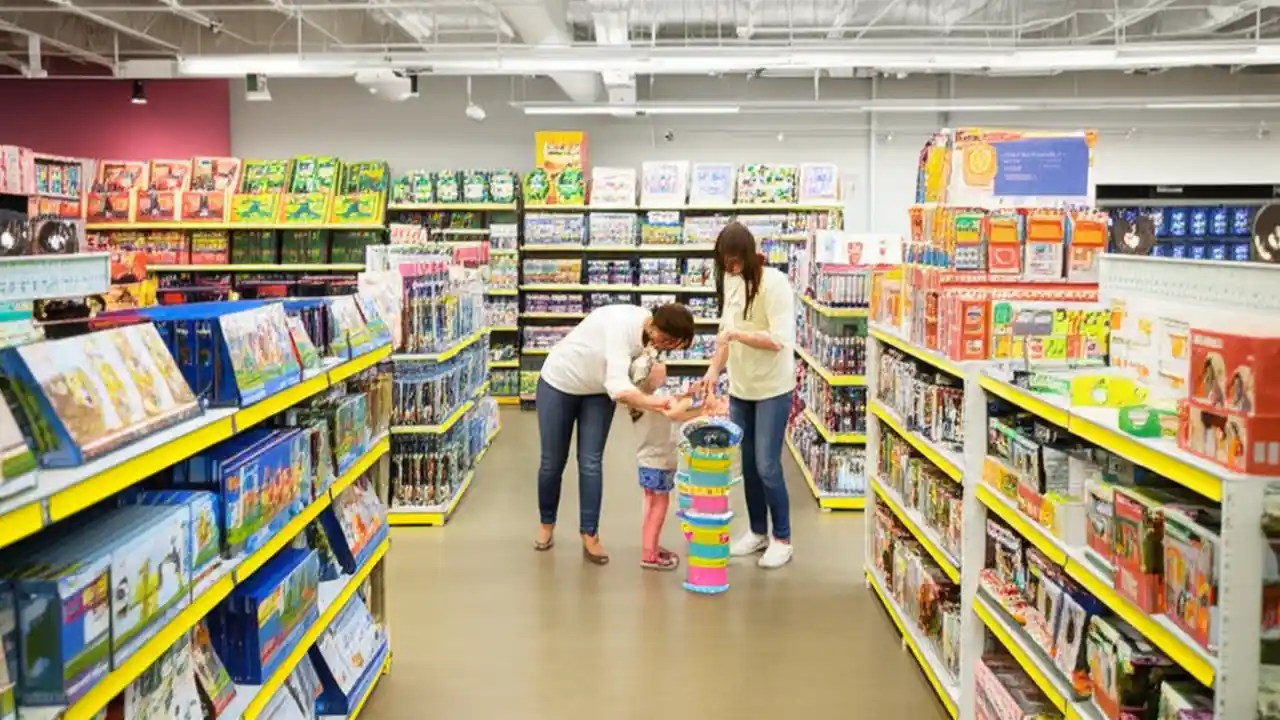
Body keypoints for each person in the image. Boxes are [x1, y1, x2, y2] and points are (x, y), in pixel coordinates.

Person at [533, 302, 696, 565]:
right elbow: (619, 388)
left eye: (673, 346)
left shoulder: (651, 336)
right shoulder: (620, 328)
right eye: (666, 342)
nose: (665, 348)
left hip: (596, 393)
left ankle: (590, 534)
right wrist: (659, 403)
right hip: (559, 383)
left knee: (590, 463)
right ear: (654, 326)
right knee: (552, 462)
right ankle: (546, 524)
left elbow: (635, 381)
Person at [699, 221, 798, 569]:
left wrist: (739, 335)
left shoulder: (775, 284)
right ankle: (757, 531)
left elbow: (778, 340)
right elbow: (725, 333)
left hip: (773, 388)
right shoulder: (729, 280)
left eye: (736, 259)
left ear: (749, 254)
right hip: (742, 388)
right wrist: (714, 369)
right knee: (749, 466)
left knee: (767, 464)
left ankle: (782, 538)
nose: (731, 266)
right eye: (725, 261)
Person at [627, 353, 730, 571]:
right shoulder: (656, 400)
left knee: (650, 504)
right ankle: (649, 555)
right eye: (657, 365)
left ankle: (650, 546)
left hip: (647, 461)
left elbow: (676, 411)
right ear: (649, 376)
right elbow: (675, 413)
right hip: (659, 462)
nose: (663, 366)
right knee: (660, 506)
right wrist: (697, 403)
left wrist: (690, 398)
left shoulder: (642, 399)